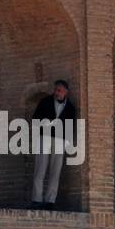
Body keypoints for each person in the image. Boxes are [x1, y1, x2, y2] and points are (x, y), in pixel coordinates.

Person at [30, 80, 79, 210]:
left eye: (59, 90)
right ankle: (36, 200)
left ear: (66, 92)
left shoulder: (71, 108)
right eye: (56, 89)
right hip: (44, 137)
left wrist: (67, 142)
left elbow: (70, 126)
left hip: (60, 141)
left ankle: (50, 201)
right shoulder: (45, 102)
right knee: (40, 169)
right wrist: (44, 123)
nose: (56, 92)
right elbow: (35, 119)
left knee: (55, 171)